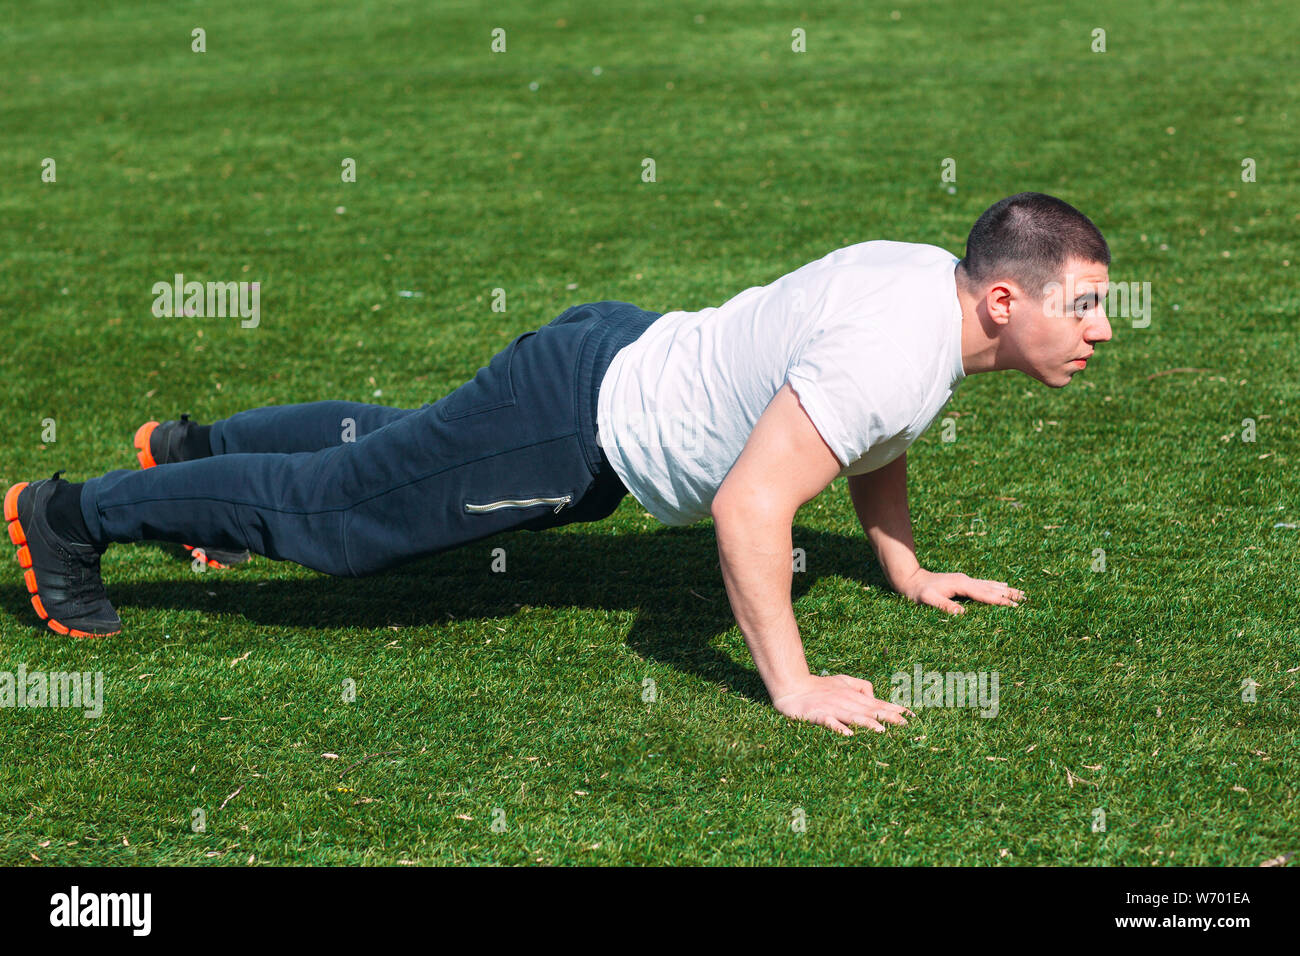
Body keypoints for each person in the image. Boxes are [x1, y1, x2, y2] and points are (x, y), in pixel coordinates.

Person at [5, 191, 1112, 735]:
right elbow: (750, 504)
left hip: (609, 361)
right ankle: (69, 516)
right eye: (1085, 306)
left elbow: (872, 438)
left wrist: (907, 569)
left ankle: (196, 452)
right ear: (1005, 299)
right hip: (577, 422)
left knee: (393, 450)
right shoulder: (894, 346)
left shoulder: (928, 290)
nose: (1100, 330)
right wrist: (790, 681)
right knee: (343, 521)